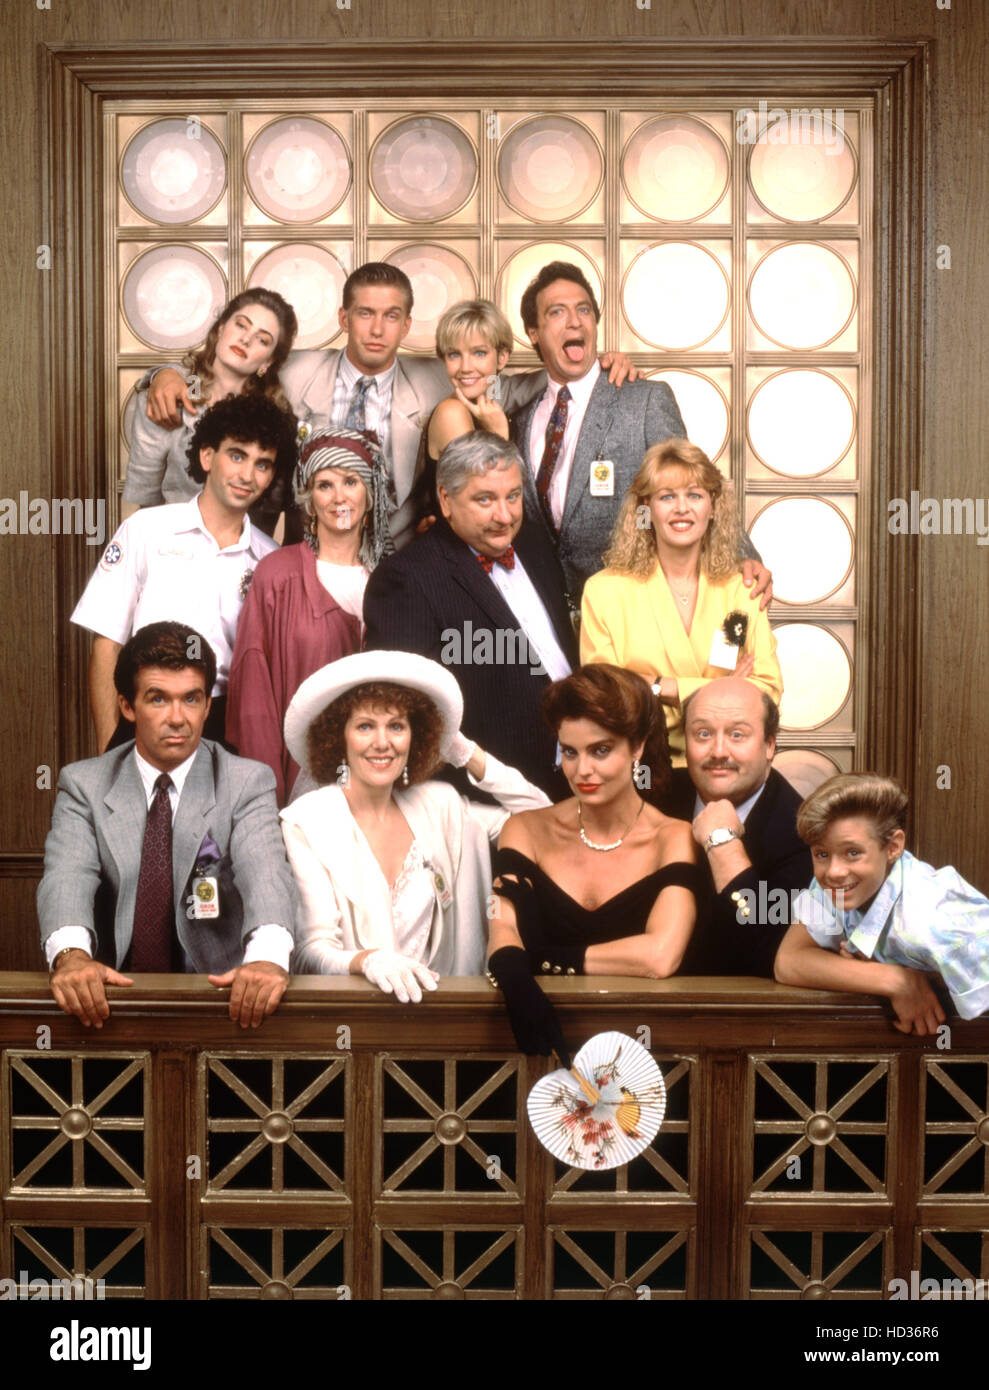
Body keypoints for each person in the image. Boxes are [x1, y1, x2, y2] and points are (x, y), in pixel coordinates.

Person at [145, 263, 642, 550]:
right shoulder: (296, 370)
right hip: (310, 560)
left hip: (399, 562)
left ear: (407, 325)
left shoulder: (435, 377)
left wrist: (600, 363)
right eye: (365, 314)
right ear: (343, 317)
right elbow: (228, 369)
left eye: (391, 316)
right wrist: (163, 375)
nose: (377, 329)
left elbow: (520, 381)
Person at [38, 623, 297, 1030]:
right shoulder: (84, 784)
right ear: (127, 706)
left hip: (223, 1005)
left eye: (191, 699)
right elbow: (67, 876)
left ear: (208, 706)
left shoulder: (247, 781)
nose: (177, 718)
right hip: (114, 1005)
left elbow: (265, 873)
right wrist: (71, 956)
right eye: (158, 699)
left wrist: (266, 958)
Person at [279, 651, 551, 1001]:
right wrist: (367, 961)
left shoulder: (442, 805)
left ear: (414, 735)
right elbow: (310, 950)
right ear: (337, 737)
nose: (382, 742)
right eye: (365, 726)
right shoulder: (308, 820)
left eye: (397, 726)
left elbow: (540, 819)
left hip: (448, 1025)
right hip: (353, 1030)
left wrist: (466, 753)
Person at [510, 260, 770, 603]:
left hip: (632, 610)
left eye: (584, 310)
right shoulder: (518, 416)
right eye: (557, 312)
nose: (575, 321)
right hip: (548, 614)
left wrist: (744, 556)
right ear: (533, 332)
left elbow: (696, 483)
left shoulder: (643, 399)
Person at [486, 664, 701, 1058]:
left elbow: (660, 956)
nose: (582, 770)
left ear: (637, 747)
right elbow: (502, 926)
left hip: (648, 1049)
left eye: (601, 750)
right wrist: (515, 977)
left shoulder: (674, 836)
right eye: (570, 752)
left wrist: (543, 959)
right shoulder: (524, 830)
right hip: (534, 1042)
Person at [72, 394, 298, 750]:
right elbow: (106, 644)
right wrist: (108, 751)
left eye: (263, 464)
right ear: (207, 456)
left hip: (227, 724)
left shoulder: (270, 560)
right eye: (237, 455)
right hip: (148, 710)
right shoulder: (145, 530)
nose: (247, 475)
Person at [363, 431, 577, 797]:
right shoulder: (406, 579)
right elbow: (412, 710)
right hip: (488, 794)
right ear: (445, 500)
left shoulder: (535, 545)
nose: (505, 515)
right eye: (485, 499)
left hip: (579, 773)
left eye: (512, 496)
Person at [581, 438, 782, 763]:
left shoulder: (740, 590)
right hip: (644, 769)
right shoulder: (604, 592)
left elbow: (767, 693)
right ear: (645, 508)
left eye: (694, 495)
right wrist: (724, 690)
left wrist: (660, 687)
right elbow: (607, 701)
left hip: (726, 766)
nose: (681, 508)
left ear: (713, 506)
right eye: (666, 496)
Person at [226, 428, 392, 804]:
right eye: (324, 485)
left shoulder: (396, 580)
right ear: (308, 499)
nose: (339, 497)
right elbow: (254, 695)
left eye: (351, 481)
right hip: (300, 784)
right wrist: (265, 802)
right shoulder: (277, 574)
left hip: (380, 783)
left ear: (370, 494)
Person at [775, 773, 989, 1033]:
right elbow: (789, 961)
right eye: (822, 854)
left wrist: (931, 981)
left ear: (893, 847)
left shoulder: (931, 918)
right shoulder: (836, 886)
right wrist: (896, 979)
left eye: (852, 852)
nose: (833, 871)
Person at [662, 676, 811, 976]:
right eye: (703, 734)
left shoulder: (804, 830)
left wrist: (722, 842)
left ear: (770, 745)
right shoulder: (658, 797)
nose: (718, 751)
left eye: (737, 735)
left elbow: (769, 948)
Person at [124, 288, 298, 535]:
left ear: (268, 361)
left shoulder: (274, 416)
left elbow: (267, 516)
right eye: (241, 325)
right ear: (221, 329)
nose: (246, 340)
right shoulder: (178, 393)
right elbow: (147, 501)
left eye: (262, 339)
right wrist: (161, 373)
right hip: (172, 545)